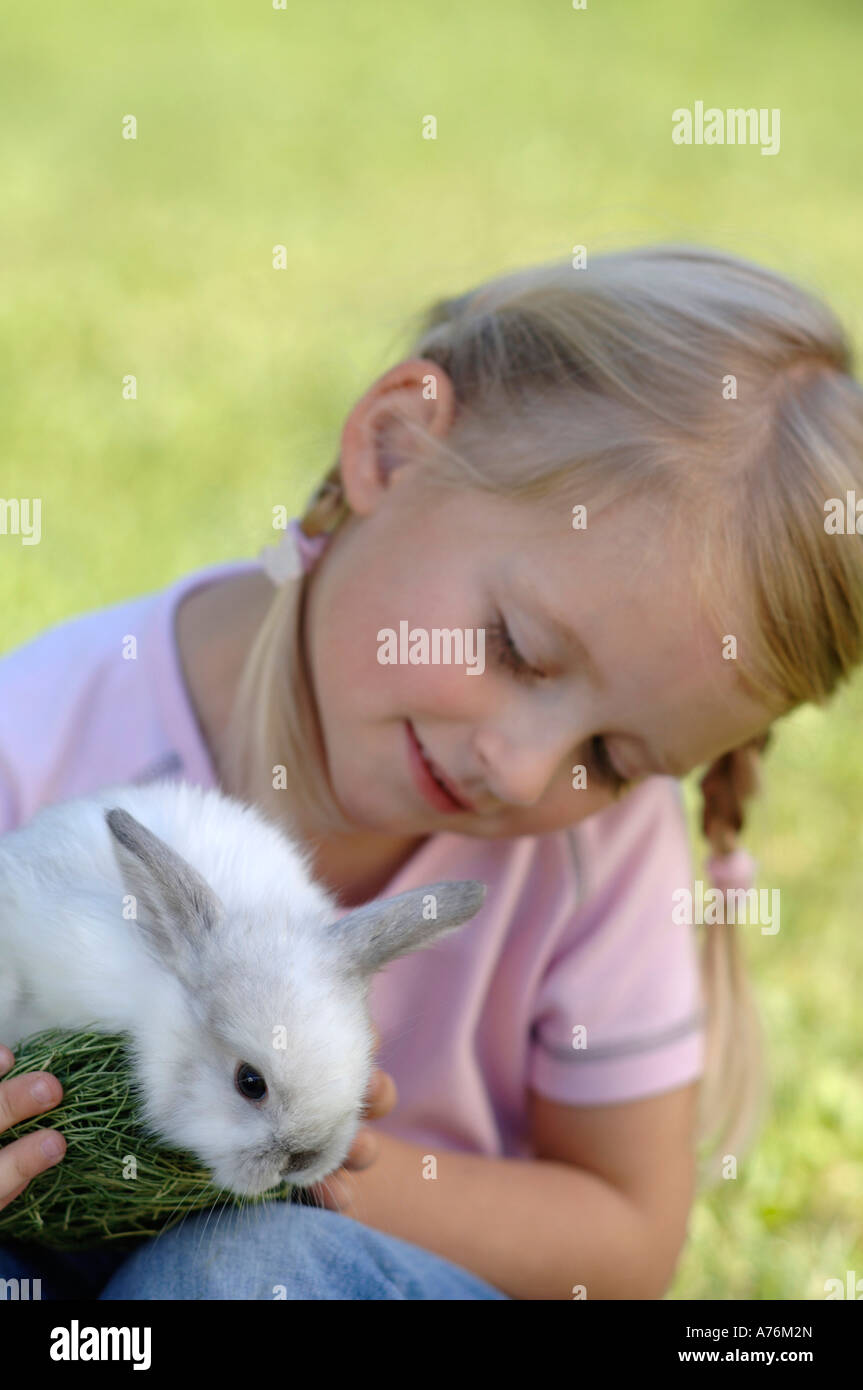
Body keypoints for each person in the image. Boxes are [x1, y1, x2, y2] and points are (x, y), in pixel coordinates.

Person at [1, 245, 861, 1299]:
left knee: (243, 1270)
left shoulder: (599, 849)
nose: (523, 765)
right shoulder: (38, 740)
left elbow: (625, 1242)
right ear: (397, 448)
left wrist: (309, 1159)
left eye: (608, 757)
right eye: (516, 649)